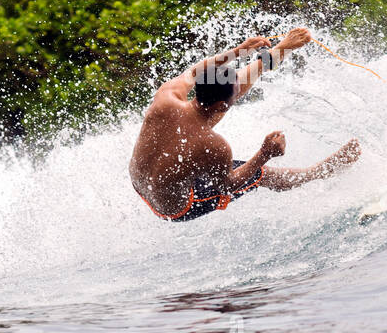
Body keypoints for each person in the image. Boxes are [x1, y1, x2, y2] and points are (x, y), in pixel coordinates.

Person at [129, 27, 361, 222]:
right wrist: (264, 154)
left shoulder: (166, 97)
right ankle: (320, 172)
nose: (239, 93)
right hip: (174, 206)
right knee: (260, 173)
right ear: (223, 105)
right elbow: (228, 186)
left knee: (204, 116)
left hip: (140, 182)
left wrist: (239, 51)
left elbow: (197, 70)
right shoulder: (213, 146)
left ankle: (273, 56)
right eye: (235, 95)